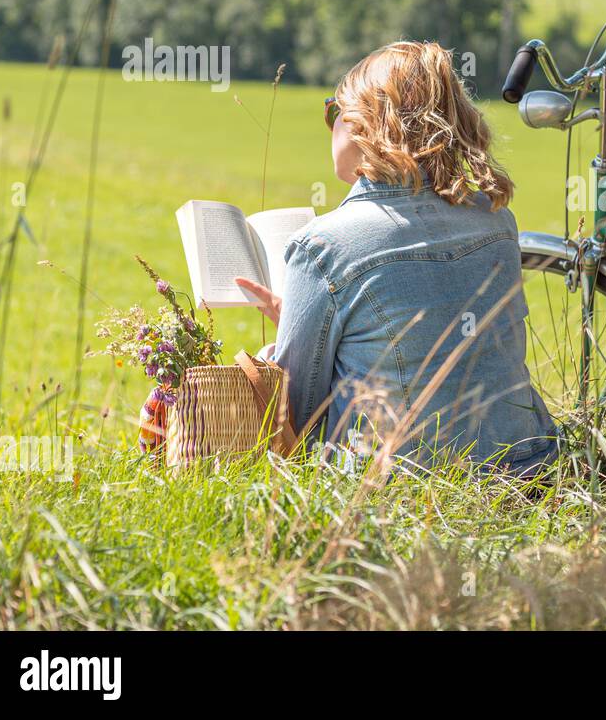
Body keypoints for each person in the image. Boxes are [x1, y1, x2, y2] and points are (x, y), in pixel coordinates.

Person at [235, 41, 557, 475]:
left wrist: (280, 348)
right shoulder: (498, 221)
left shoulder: (323, 247)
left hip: (404, 496)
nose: (330, 125)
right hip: (529, 473)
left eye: (334, 112)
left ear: (364, 124)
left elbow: (296, 419)